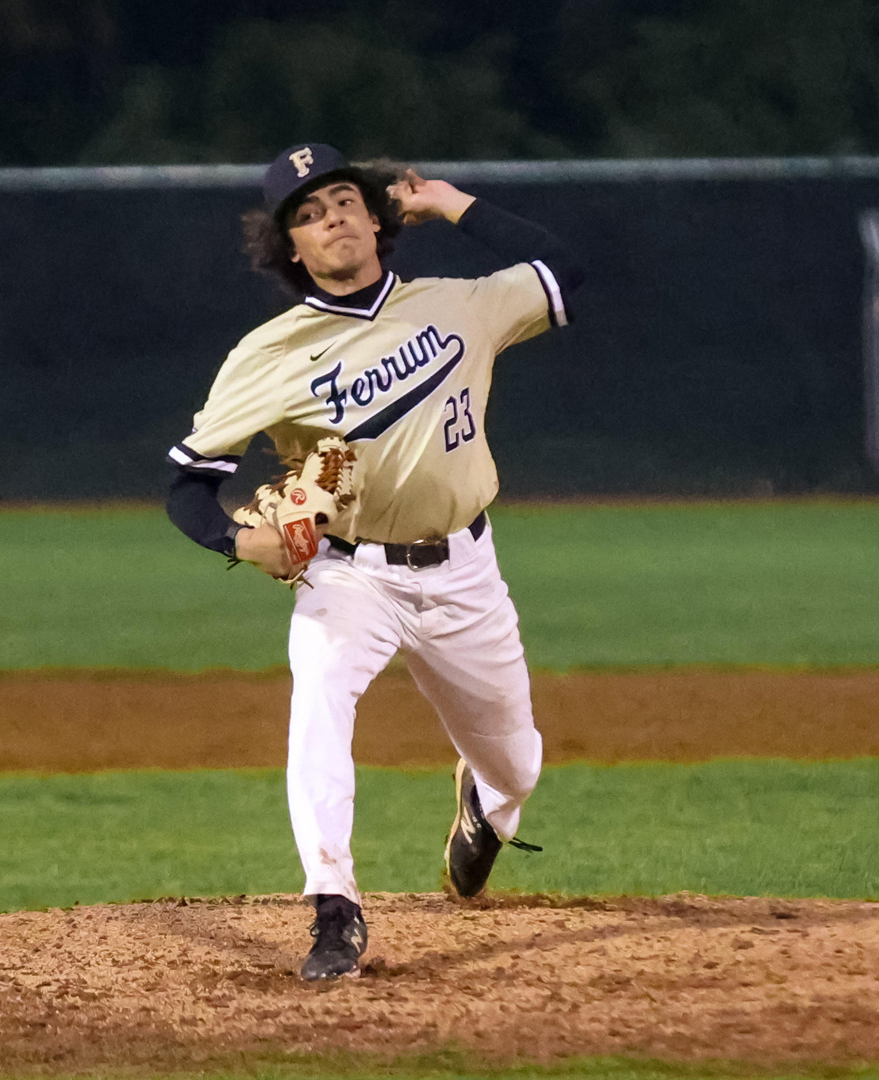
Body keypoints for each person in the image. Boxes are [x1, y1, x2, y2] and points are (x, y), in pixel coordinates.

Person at [164, 143, 585, 981]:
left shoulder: (460, 305)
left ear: (375, 217)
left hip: (464, 568)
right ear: (291, 247)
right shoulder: (269, 354)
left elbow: (568, 269)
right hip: (348, 571)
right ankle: (335, 909)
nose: (332, 220)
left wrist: (452, 202)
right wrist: (237, 540)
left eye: (344, 201)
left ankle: (484, 807)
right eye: (309, 214)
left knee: (516, 766)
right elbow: (188, 483)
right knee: (318, 700)